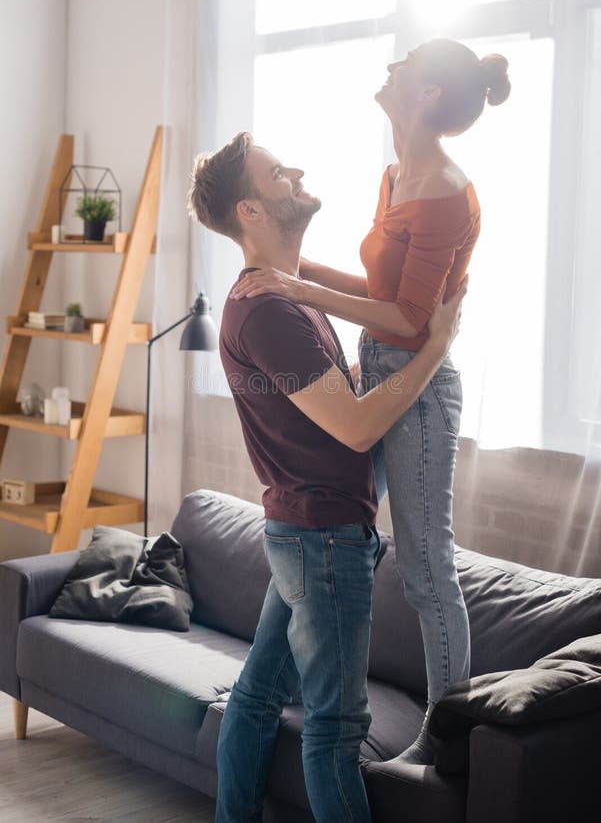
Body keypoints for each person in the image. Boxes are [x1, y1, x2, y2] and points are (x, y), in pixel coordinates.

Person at [233, 38, 511, 765]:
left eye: (404, 62)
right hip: (382, 369)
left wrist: (296, 285)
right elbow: (382, 295)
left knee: (426, 570)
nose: (390, 67)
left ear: (426, 94)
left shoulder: (444, 192)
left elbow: (411, 320)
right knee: (337, 527)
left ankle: (446, 742)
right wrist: (284, 269)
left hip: (419, 383)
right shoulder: (396, 175)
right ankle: (269, 693)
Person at [187, 130, 466, 822]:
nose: (297, 172)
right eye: (277, 174)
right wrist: (434, 349)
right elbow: (357, 426)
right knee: (336, 729)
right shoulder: (271, 311)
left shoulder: (287, 294)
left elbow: (328, 395)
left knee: (257, 696)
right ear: (250, 211)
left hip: (304, 531)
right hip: (323, 542)